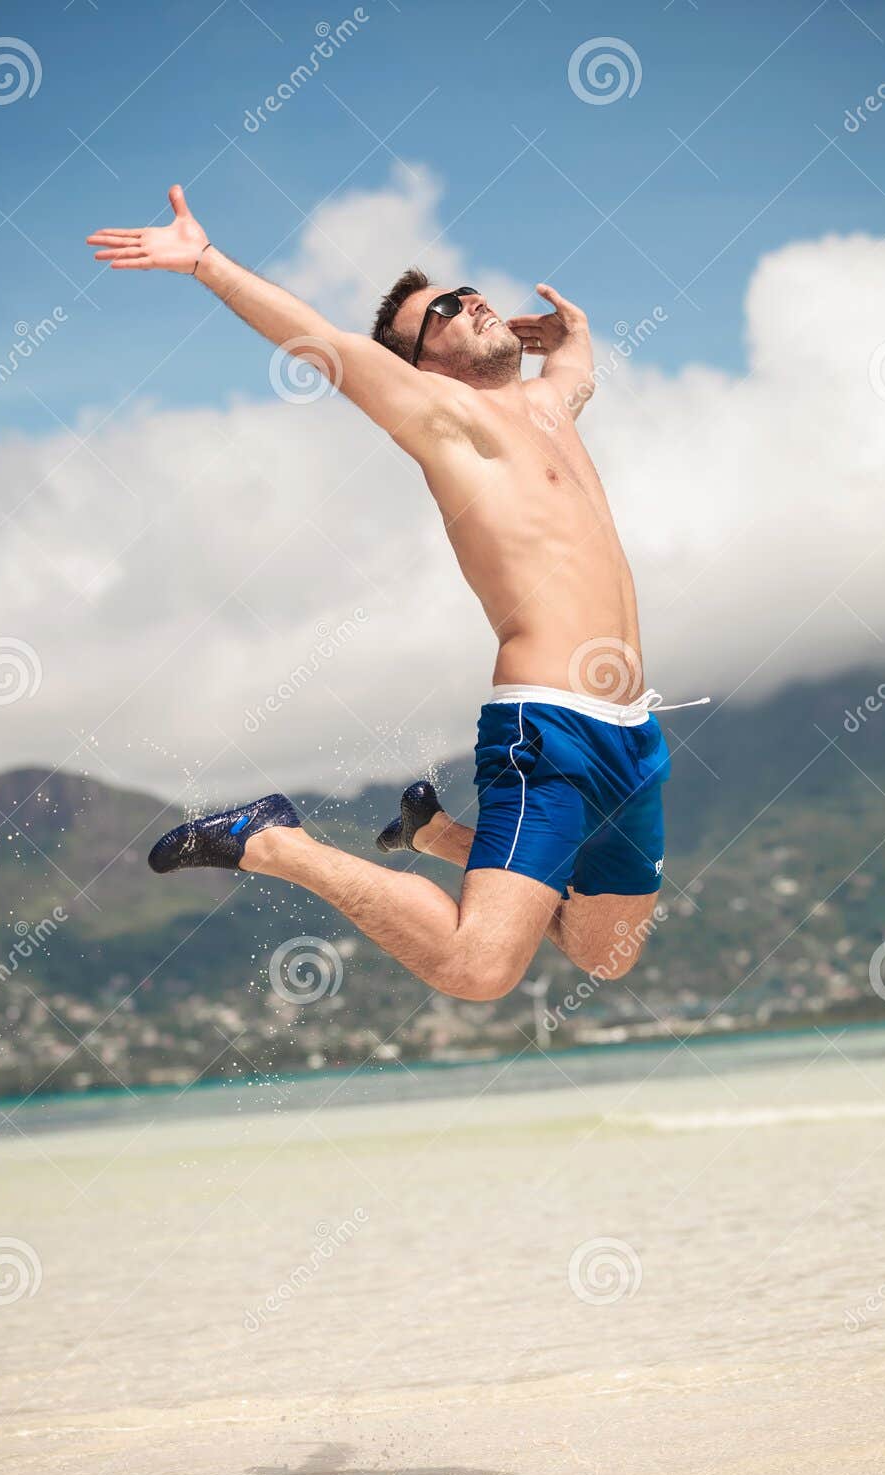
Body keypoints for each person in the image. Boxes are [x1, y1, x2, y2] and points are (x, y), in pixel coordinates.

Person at [88, 186, 698, 1002]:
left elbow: (574, 371)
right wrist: (205, 262)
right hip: (547, 727)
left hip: (631, 730)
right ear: (422, 363)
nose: (470, 299)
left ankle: (438, 838)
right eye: (444, 309)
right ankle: (274, 841)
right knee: (478, 970)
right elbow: (322, 343)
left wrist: (575, 335)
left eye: (467, 289)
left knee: (605, 953)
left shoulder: (548, 405)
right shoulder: (443, 417)